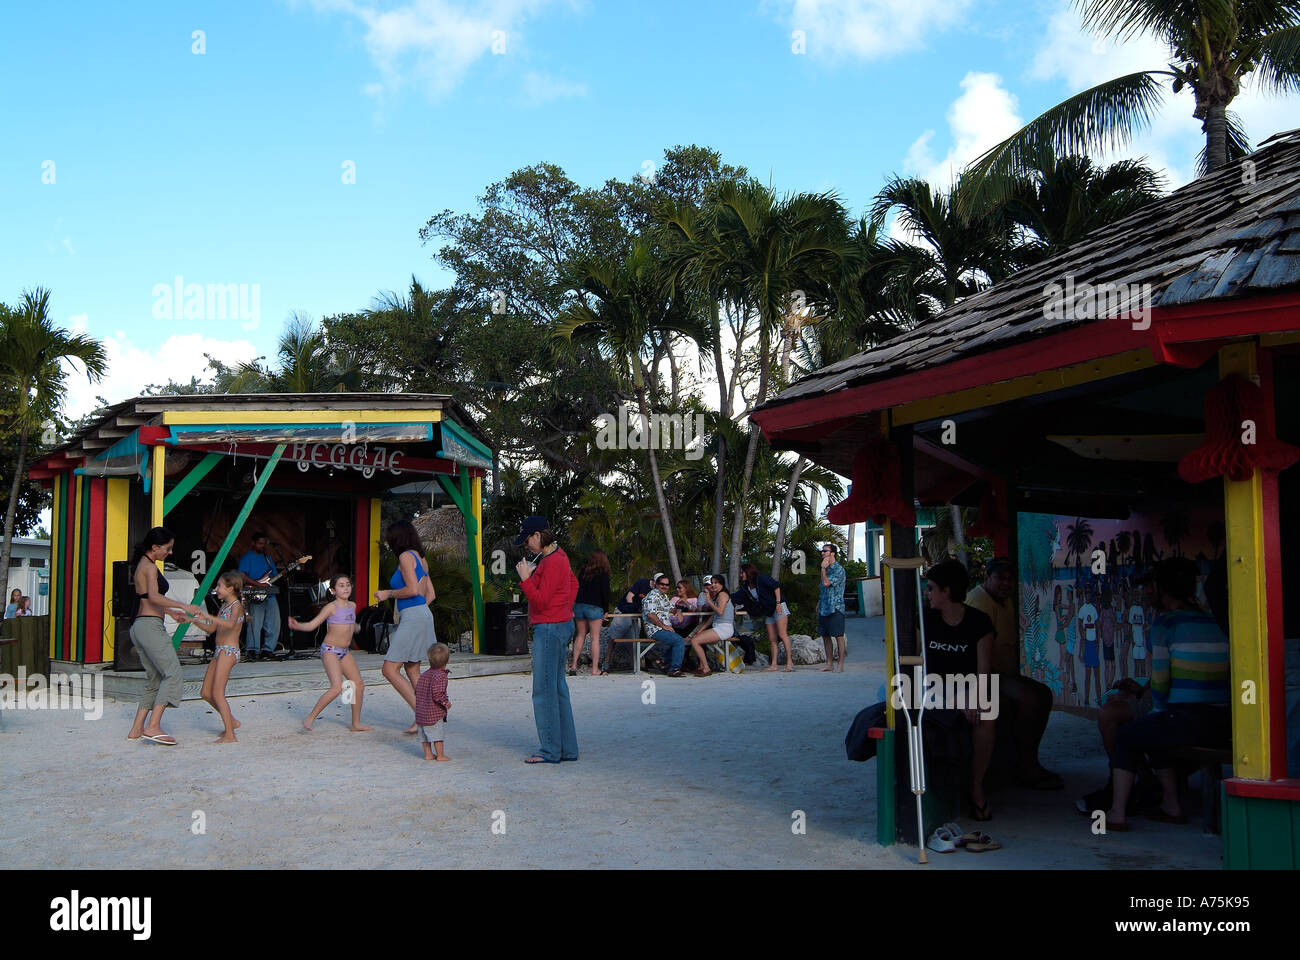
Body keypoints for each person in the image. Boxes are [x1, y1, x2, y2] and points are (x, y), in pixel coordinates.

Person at [1104, 557, 1230, 831]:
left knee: (1128, 736)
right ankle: (1171, 805)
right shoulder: (1213, 621)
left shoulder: (1166, 624)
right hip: (1224, 721)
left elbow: (1160, 685)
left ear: (1162, 588)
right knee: (1153, 730)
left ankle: (1117, 813)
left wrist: (1156, 711)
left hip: (1189, 720)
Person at [965, 557, 1063, 789]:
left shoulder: (1004, 600)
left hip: (1002, 673)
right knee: (1029, 699)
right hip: (984, 674)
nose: (1006, 584)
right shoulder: (979, 601)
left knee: (1044, 693)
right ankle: (1025, 766)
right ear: (987, 577)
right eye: (1001, 578)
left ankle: (1028, 759)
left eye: (1010, 579)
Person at [923, 560, 997, 820]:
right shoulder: (926, 619)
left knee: (986, 715)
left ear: (947, 591)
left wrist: (974, 697)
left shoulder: (979, 622)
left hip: (967, 687)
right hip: (932, 688)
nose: (927, 593)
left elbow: (984, 669)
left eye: (931, 588)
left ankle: (976, 786)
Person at [125, 527, 203, 746]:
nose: (169, 553)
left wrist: (172, 613)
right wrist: (184, 605)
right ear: (155, 547)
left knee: (155, 679)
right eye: (167, 549)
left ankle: (136, 729)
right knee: (173, 673)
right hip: (149, 627)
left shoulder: (144, 563)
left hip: (141, 626)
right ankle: (153, 726)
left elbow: (148, 599)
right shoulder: (148, 566)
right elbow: (154, 596)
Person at [516, 515, 579, 763]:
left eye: (527, 540)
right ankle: (567, 749)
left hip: (550, 628)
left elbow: (540, 600)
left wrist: (526, 579)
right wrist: (564, 608)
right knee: (558, 688)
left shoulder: (552, 561)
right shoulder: (558, 556)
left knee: (543, 690)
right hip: (559, 624)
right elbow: (572, 584)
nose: (526, 546)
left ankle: (551, 750)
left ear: (537, 536)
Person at [374, 520, 436, 733]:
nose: (388, 542)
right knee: (412, 668)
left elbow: (412, 591)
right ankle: (423, 717)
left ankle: (423, 715)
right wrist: (418, 612)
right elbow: (430, 595)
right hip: (422, 614)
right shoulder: (421, 558)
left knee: (389, 669)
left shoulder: (405, 557)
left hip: (414, 617)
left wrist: (387, 593)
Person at [290, 574, 372, 733]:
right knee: (336, 687)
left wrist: (356, 627)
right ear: (333, 590)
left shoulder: (352, 606)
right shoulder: (331, 607)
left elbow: (350, 623)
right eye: (341, 585)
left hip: (344, 651)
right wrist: (298, 625)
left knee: (358, 684)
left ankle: (355, 723)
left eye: (348, 584)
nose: (346, 587)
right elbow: (313, 624)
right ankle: (310, 718)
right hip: (330, 650)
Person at [184, 571, 246, 743]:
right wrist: (192, 620)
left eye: (220, 586)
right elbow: (212, 629)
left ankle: (230, 735)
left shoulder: (236, 606)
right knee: (205, 693)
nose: (216, 589)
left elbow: (230, 624)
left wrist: (207, 615)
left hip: (229, 651)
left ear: (231, 588)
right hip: (219, 650)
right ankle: (231, 722)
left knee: (218, 693)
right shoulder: (224, 606)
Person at [740, 563, 794, 672]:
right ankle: (774, 664)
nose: (741, 575)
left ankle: (789, 662)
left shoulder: (761, 579)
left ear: (747, 572)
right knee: (772, 638)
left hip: (778, 606)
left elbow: (776, 586)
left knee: (782, 634)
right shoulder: (746, 587)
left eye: (742, 572)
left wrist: (778, 602)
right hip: (769, 611)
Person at [238, 533, 280, 661]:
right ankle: (252, 649)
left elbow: (274, 575)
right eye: (259, 543)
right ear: (253, 543)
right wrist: (258, 585)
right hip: (255, 594)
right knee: (255, 622)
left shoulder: (267, 557)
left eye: (263, 543)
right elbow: (242, 575)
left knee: (274, 622)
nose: (262, 546)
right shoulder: (247, 557)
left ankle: (268, 650)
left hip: (270, 595)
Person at [685, 574, 735, 677]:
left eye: (716, 583)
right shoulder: (718, 596)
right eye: (712, 583)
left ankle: (706, 668)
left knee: (695, 641)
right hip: (718, 626)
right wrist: (701, 629)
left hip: (724, 627)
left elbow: (720, 612)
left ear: (721, 584)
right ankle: (703, 667)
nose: (713, 585)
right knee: (695, 639)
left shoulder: (722, 595)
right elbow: (713, 616)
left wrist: (709, 601)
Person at [570, 550, 611, 676]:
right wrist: (606, 609)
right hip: (594, 607)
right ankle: (594, 669)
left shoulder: (583, 571)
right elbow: (605, 593)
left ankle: (573, 666)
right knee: (594, 637)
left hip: (579, 605)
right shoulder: (603, 574)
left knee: (580, 635)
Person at [641, 573, 687, 677]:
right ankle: (674, 669)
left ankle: (662, 662)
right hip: (654, 629)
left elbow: (672, 608)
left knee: (677, 639)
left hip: (664, 628)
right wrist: (664, 626)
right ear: (656, 584)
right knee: (678, 641)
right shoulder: (652, 596)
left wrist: (679, 611)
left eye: (667, 584)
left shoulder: (664, 596)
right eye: (662, 584)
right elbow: (650, 615)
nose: (664, 586)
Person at [603, 574, 652, 672]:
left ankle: (635, 665)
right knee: (614, 638)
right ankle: (606, 662)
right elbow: (629, 597)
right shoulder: (642, 583)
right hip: (624, 612)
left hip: (636, 616)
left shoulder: (657, 592)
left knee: (633, 640)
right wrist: (631, 608)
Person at [413, 642, 452, 761]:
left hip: (421, 712)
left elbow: (417, 691)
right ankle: (440, 755)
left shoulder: (424, 675)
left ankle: (428, 754)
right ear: (447, 661)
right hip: (433, 713)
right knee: (437, 735)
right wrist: (445, 702)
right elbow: (438, 694)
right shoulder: (440, 676)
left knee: (424, 736)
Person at [818, 544, 847, 672]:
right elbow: (822, 588)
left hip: (835, 607)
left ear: (832, 553)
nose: (822, 553)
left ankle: (840, 664)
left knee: (838, 636)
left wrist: (823, 569)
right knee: (825, 635)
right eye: (822, 551)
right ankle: (829, 663)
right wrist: (819, 603)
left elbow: (826, 583)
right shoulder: (826, 569)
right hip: (824, 606)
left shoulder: (838, 570)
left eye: (825, 551)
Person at [1077, 587, 1101, 705]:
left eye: (1088, 595)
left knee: (1097, 674)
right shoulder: (1082, 609)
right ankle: (1086, 699)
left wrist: (1098, 642)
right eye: (1085, 595)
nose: (1087, 597)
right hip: (1087, 644)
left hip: (1093, 643)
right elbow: (1079, 624)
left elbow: (1097, 625)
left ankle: (1100, 698)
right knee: (1087, 675)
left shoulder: (1093, 608)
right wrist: (1082, 637)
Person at [1129, 582, 1149, 679]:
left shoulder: (1141, 609)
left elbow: (1143, 626)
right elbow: (1130, 626)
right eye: (1137, 596)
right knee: (1137, 667)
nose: (1138, 598)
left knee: (1143, 667)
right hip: (1136, 644)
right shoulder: (1132, 609)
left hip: (1142, 643)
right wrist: (1133, 641)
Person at [1100, 590, 1118, 689]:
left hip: (1105, 639)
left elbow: (1100, 623)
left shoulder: (1103, 611)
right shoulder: (1111, 610)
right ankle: (1109, 683)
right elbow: (1114, 621)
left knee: (1107, 664)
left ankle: (1107, 684)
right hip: (1110, 639)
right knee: (1112, 664)